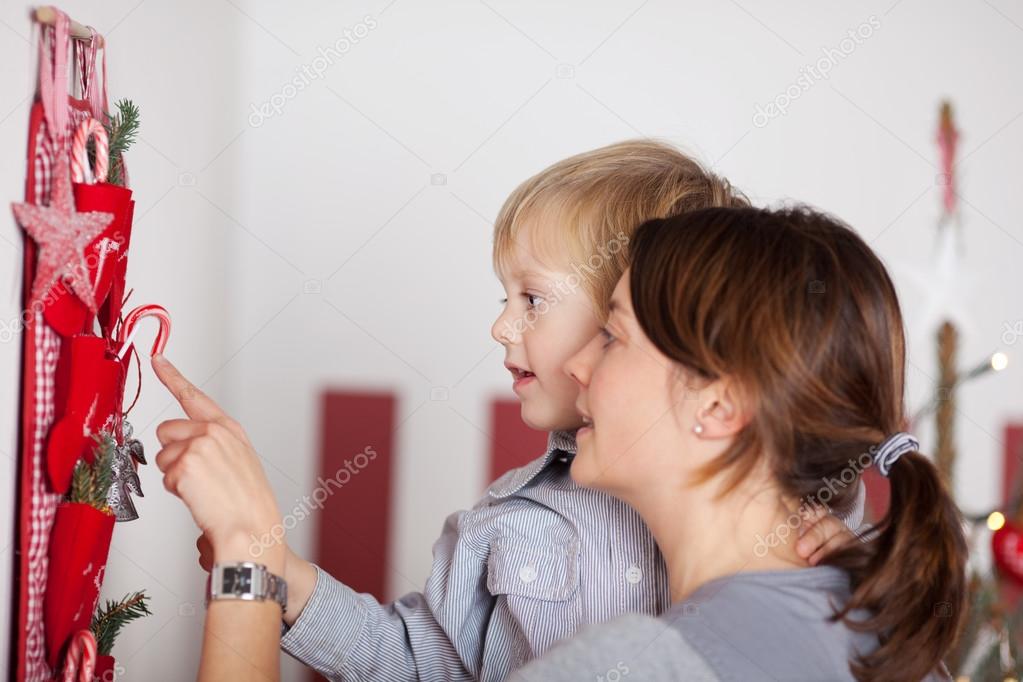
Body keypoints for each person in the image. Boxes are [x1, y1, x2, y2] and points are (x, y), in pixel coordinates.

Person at [150, 142, 862, 681]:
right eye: (505, 298)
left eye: (532, 299)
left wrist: (246, 556)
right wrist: (274, 571)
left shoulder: (795, 540)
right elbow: (419, 658)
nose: (501, 327)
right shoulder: (511, 517)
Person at [510, 206, 967, 681]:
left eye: (612, 336)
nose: (575, 365)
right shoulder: (896, 652)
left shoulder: (626, 667)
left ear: (719, 406)